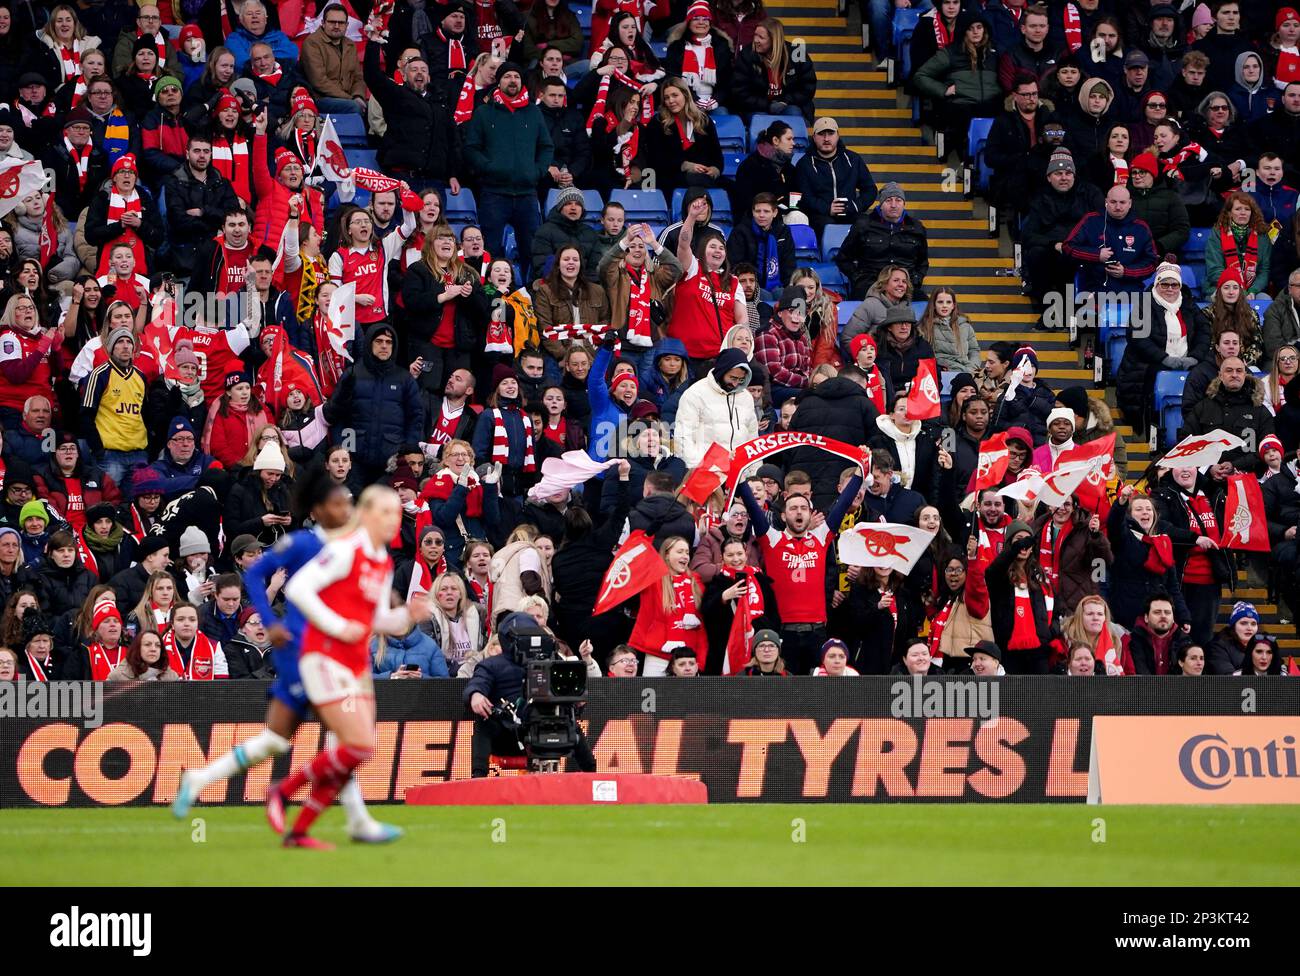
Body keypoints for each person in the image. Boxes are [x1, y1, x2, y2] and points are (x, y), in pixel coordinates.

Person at [267, 486, 430, 848]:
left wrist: (407, 615)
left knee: (352, 751)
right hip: (324, 655)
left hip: (355, 661)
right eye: (386, 512)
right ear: (367, 512)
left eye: (397, 513)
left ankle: (300, 829)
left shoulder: (383, 561)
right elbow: (298, 588)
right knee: (360, 744)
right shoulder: (345, 549)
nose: (394, 519)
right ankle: (285, 789)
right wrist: (339, 626)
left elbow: (378, 620)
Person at [737, 464, 864, 674]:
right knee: (789, 695)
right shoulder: (772, 538)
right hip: (784, 632)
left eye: (803, 508)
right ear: (784, 516)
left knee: (816, 693)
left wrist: (860, 470)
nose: (799, 512)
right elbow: (751, 506)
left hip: (817, 632)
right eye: (793, 508)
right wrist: (739, 472)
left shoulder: (821, 536)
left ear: (810, 513)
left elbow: (842, 504)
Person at [465, 611, 597, 774]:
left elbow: (572, 690)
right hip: (510, 731)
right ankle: (478, 778)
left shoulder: (554, 660)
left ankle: (592, 775)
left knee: (570, 722)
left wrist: (577, 702)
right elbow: (477, 683)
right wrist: (475, 694)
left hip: (548, 725)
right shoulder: (491, 665)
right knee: (484, 722)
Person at [463, 61, 553, 266]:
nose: (512, 80)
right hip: (493, 194)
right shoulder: (484, 112)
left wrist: (536, 171)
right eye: (507, 76)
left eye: (516, 76)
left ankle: (528, 297)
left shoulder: (533, 112)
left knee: (532, 254)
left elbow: (546, 147)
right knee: (489, 253)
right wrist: (488, 168)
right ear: (498, 81)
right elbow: (471, 148)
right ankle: (489, 297)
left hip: (527, 195)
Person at [1115, 262, 1211, 430]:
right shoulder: (1143, 305)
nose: (1170, 289)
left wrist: (1195, 357)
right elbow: (1138, 338)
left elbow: (1204, 332)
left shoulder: (1189, 305)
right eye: (1164, 284)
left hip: (1187, 362)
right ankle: (1151, 431)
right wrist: (1164, 358)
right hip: (1146, 365)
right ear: (1157, 284)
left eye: (1174, 285)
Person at [835, 182, 929, 301]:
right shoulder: (863, 225)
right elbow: (843, 258)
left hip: (905, 286)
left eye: (898, 200)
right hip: (871, 285)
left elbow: (922, 263)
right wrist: (858, 278)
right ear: (881, 204)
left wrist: (915, 280)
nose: (893, 205)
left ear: (904, 204)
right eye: (889, 200)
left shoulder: (916, 228)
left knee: (925, 306)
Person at [1181, 356, 1273, 473]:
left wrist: (1235, 466)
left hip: (1248, 478)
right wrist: (1208, 468)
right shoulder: (1203, 408)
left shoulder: (1260, 410)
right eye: (1229, 370)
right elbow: (1186, 443)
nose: (1234, 374)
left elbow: (1267, 448)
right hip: (1207, 480)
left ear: (1245, 374)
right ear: (1220, 375)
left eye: (1239, 371)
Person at [1061, 184, 1160, 294]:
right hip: (1095, 290)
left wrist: (1126, 272)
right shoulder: (1091, 220)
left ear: (1130, 203)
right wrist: (1096, 255)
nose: (1118, 207)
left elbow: (1152, 263)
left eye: (1122, 202)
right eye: (1113, 202)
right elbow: (1067, 247)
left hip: (1132, 292)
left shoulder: (1141, 227)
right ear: (1106, 202)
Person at [794, 117, 877, 237]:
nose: (826, 139)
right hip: (819, 215)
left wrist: (854, 206)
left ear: (838, 135)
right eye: (821, 134)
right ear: (814, 137)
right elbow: (803, 196)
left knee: (865, 223)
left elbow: (870, 190)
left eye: (831, 133)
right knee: (827, 225)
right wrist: (827, 208)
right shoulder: (804, 164)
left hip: (850, 212)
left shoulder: (853, 159)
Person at [731, 17, 817, 122]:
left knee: (794, 113)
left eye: (761, 37)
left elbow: (808, 87)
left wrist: (785, 101)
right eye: (755, 35)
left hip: (788, 104)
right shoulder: (747, 55)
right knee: (760, 119)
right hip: (757, 107)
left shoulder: (796, 54)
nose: (755, 40)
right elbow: (740, 91)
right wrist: (767, 105)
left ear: (774, 39)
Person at [299, 3, 366, 115]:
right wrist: (350, 98)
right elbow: (319, 82)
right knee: (354, 107)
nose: (336, 26)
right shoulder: (312, 43)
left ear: (347, 25)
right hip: (320, 98)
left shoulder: (350, 45)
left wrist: (358, 96)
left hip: (348, 98)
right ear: (323, 23)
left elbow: (357, 77)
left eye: (341, 23)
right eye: (331, 22)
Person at [1204, 191, 1272, 299]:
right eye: (1238, 209)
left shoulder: (1262, 235)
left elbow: (1264, 270)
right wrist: (1237, 290)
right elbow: (1215, 269)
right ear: (1229, 213)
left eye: (1247, 209)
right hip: (1223, 287)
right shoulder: (1217, 233)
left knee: (1264, 299)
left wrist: (1253, 290)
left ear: (1252, 213)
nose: (1243, 213)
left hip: (1252, 290)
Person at [1205, 600, 1260, 674]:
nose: (1249, 628)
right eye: (1243, 623)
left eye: (1253, 624)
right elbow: (1227, 678)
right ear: (1233, 626)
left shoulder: (1261, 645)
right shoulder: (1217, 647)